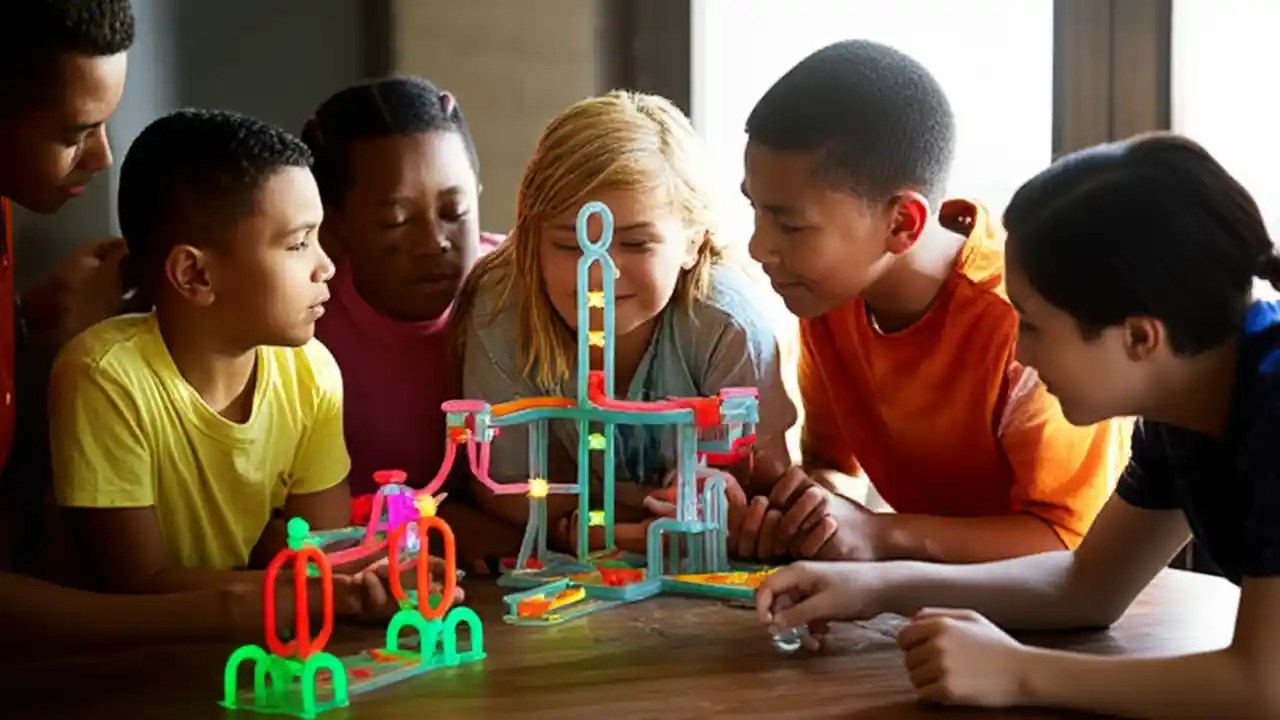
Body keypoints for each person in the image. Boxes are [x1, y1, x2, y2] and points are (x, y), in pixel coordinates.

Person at [757, 133, 1280, 718]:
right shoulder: (1182, 405)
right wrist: (876, 588)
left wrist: (1020, 673)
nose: (1023, 356)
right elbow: (1089, 587)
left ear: (1139, 336)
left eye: (1032, 326)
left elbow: (1262, 684)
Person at [48, 109, 450, 624]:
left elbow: (318, 555)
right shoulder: (105, 377)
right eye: (299, 243)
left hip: (248, 640)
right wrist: (323, 591)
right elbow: (137, 583)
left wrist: (369, 571)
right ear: (194, 274)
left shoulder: (311, 372)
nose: (326, 265)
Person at [741, 39, 1130, 562]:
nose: (758, 247)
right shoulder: (829, 296)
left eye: (789, 225)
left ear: (903, 222)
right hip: (935, 604)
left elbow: (1069, 543)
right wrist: (810, 513)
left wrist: (880, 536)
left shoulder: (1028, 321)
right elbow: (834, 469)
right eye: (756, 211)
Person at [455, 90, 797, 554]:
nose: (599, 272)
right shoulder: (501, 311)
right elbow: (506, 490)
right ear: (532, 239)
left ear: (695, 239)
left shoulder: (728, 324)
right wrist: (643, 526)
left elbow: (764, 487)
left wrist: (603, 528)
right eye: (572, 246)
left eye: (636, 245)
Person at [305, 76, 502, 497]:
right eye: (395, 221)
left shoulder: (527, 290)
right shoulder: (305, 335)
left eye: (455, 211)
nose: (433, 242)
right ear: (334, 225)